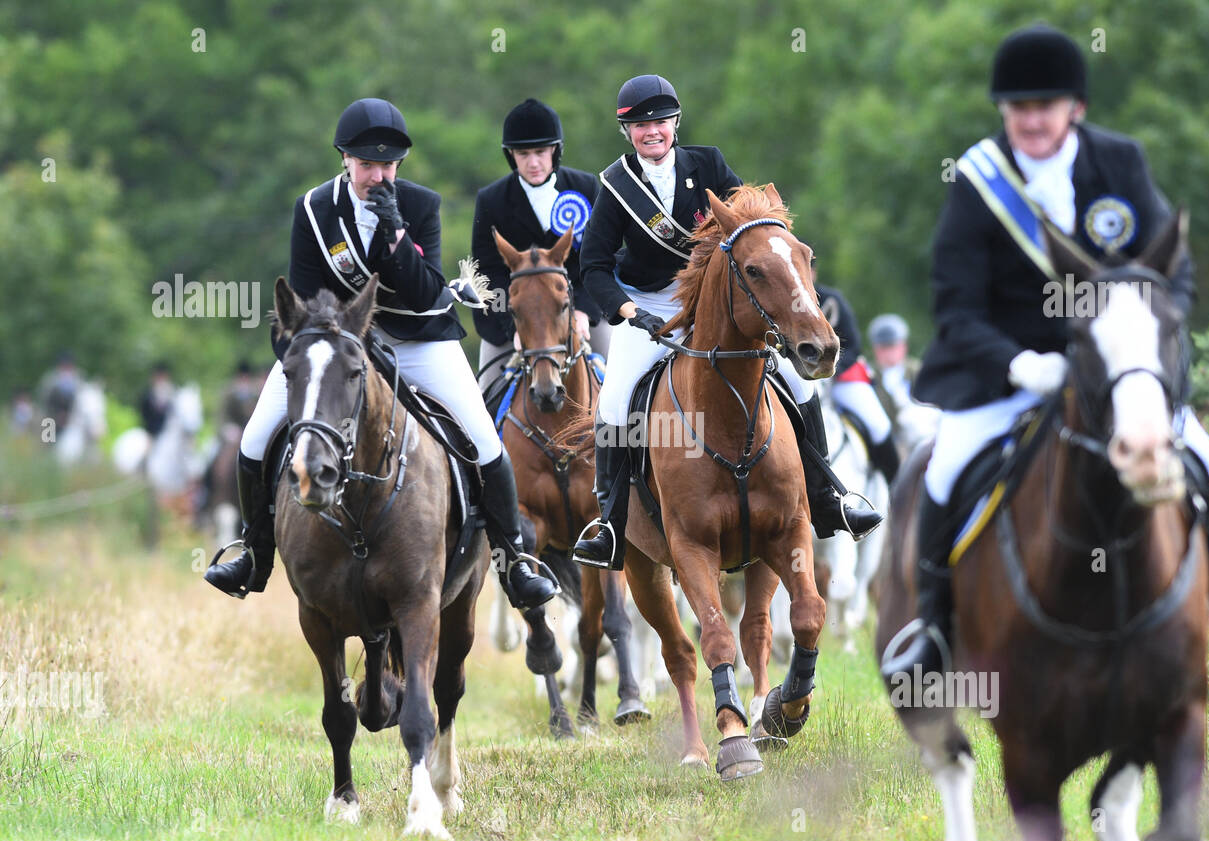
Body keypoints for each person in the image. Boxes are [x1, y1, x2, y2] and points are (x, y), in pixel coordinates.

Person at [880, 23, 1209, 689]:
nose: (1031, 120)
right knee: (943, 471)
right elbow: (955, 307)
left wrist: (1146, 331)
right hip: (1010, 375)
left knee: (1206, 458)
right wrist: (1021, 366)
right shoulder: (977, 181)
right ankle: (932, 631)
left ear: (1077, 108)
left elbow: (1170, 267)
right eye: (1018, 108)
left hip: (1117, 370)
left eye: (1045, 106)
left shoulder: (1120, 162)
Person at [204, 97, 558, 610]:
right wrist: (301, 353)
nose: (378, 175)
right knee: (256, 439)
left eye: (387, 165)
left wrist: (395, 234)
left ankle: (515, 562)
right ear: (345, 160)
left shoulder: (420, 206)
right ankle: (253, 552)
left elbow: (422, 293)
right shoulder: (313, 209)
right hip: (337, 347)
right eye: (366, 164)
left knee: (484, 442)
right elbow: (302, 298)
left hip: (421, 340)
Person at [573, 74, 882, 571]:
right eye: (640, 125)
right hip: (649, 305)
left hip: (715, 302)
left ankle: (827, 497)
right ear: (626, 131)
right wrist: (631, 313)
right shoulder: (614, 186)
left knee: (799, 387)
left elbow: (753, 224)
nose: (652, 131)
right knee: (615, 398)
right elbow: (593, 267)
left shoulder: (708, 163)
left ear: (675, 123)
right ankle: (609, 522)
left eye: (660, 121)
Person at [471, 98, 603, 378]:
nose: (533, 163)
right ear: (511, 156)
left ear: (555, 150)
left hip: (581, 308)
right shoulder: (491, 200)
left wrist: (584, 313)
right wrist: (513, 326)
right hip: (514, 316)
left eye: (541, 152)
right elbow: (486, 274)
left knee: (619, 389)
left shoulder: (585, 187)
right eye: (523, 154)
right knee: (483, 401)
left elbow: (599, 258)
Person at [816, 280, 901, 484]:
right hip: (798, 378)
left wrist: (831, 371)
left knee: (878, 426)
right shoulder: (775, 294)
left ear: (813, 271)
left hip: (839, 378)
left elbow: (853, 346)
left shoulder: (831, 300)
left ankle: (893, 485)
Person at [139, 361, 175, 439]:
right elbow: (145, 414)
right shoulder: (149, 394)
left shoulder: (172, 394)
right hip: (152, 431)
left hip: (169, 431)